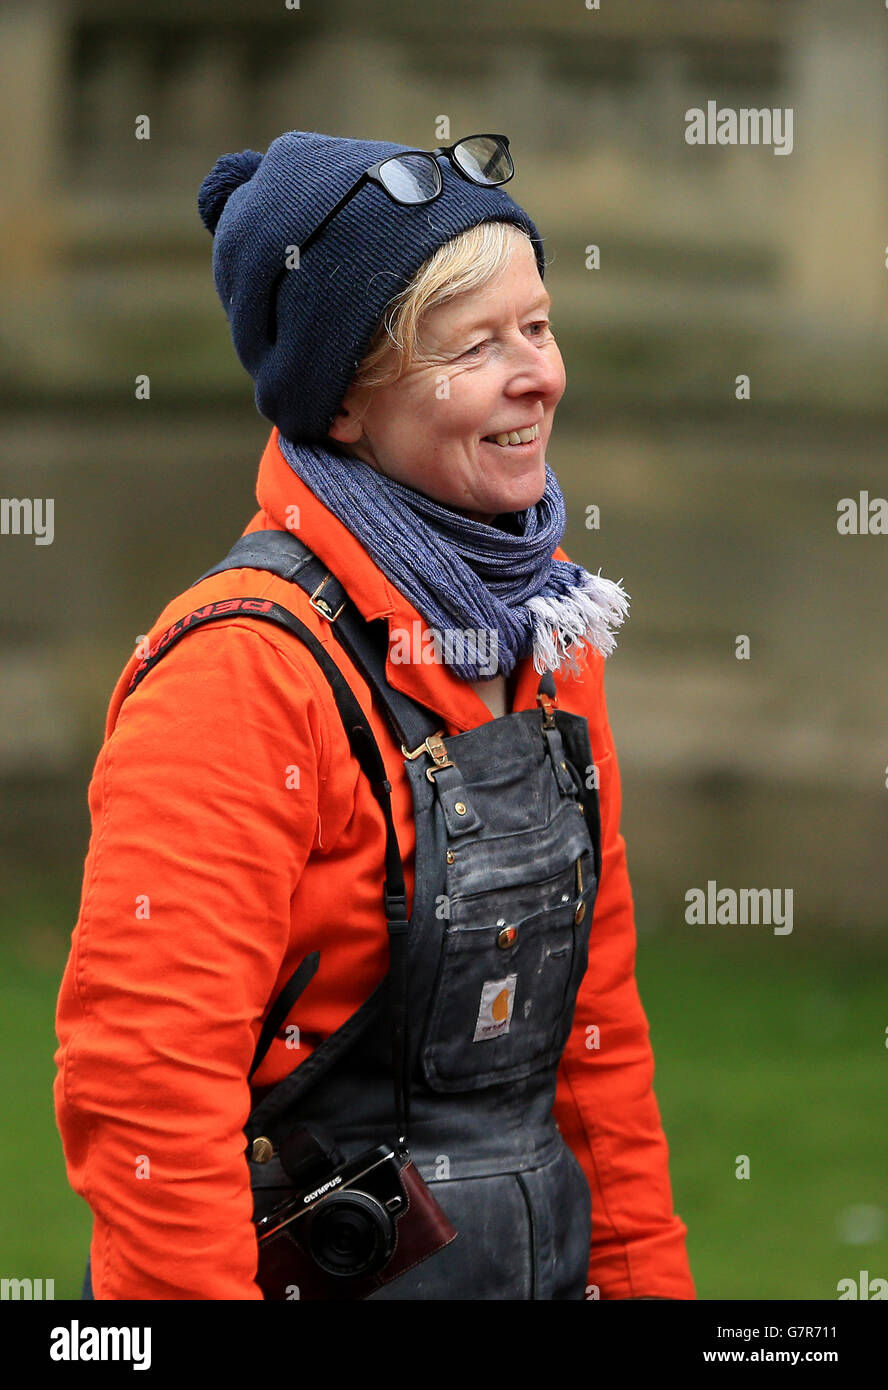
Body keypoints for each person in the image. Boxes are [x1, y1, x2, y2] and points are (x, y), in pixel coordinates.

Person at [53, 128, 695, 1301]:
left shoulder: (551, 637)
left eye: (538, 327)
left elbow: (597, 1048)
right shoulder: (242, 673)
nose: (539, 376)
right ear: (343, 401)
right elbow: (144, 1088)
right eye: (474, 348)